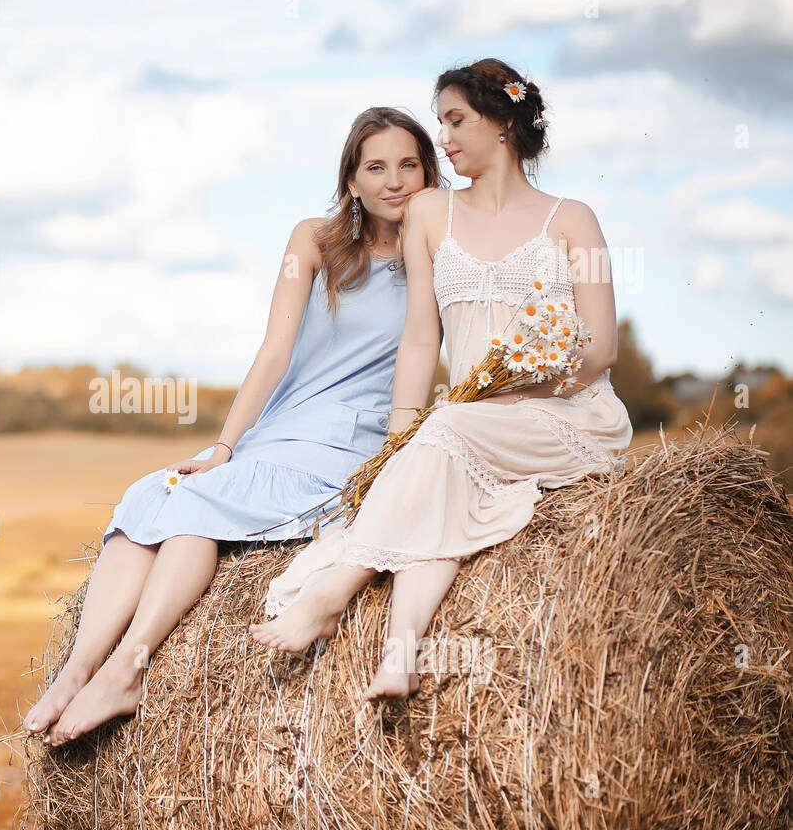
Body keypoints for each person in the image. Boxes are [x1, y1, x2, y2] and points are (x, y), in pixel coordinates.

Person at [25, 107, 446, 745]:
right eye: (376, 167)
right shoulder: (313, 240)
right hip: (279, 428)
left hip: (348, 443)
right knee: (151, 495)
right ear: (351, 181)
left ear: (427, 171)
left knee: (197, 508)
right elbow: (274, 350)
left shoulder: (439, 257)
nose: (395, 181)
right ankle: (77, 670)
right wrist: (225, 445)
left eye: (409, 165)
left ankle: (127, 669)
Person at [248, 59, 634, 704]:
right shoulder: (432, 213)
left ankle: (329, 595)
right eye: (441, 123)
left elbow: (600, 346)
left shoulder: (573, 219)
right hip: (469, 422)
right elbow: (422, 337)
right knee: (437, 490)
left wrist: (517, 383)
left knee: (448, 430)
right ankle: (398, 658)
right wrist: (399, 439)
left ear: (504, 122)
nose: (444, 139)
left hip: (568, 417)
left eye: (456, 120)